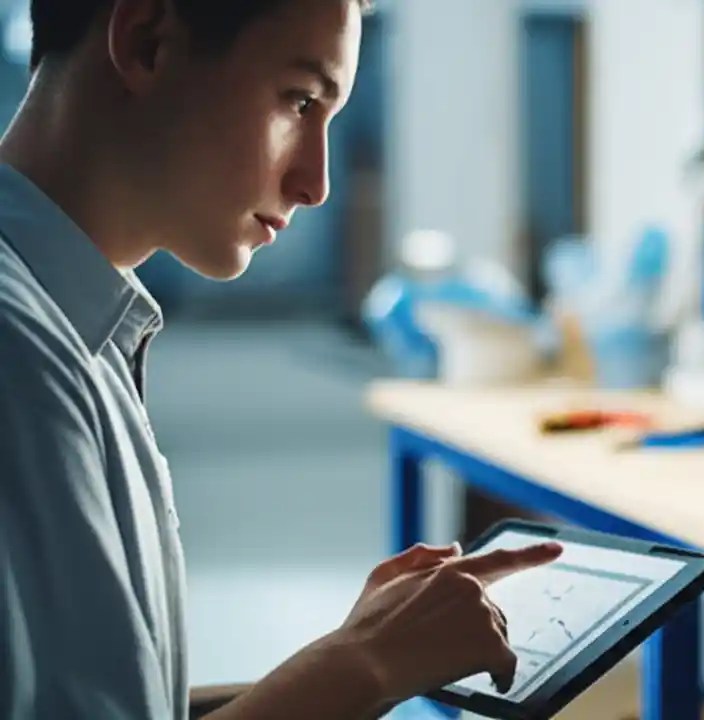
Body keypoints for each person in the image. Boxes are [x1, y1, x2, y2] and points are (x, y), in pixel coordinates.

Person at [0, 1, 563, 717]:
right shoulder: (18, 359)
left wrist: (373, 652)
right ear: (147, 42)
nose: (316, 183)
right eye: (299, 101)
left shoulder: (74, 326)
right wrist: (362, 664)